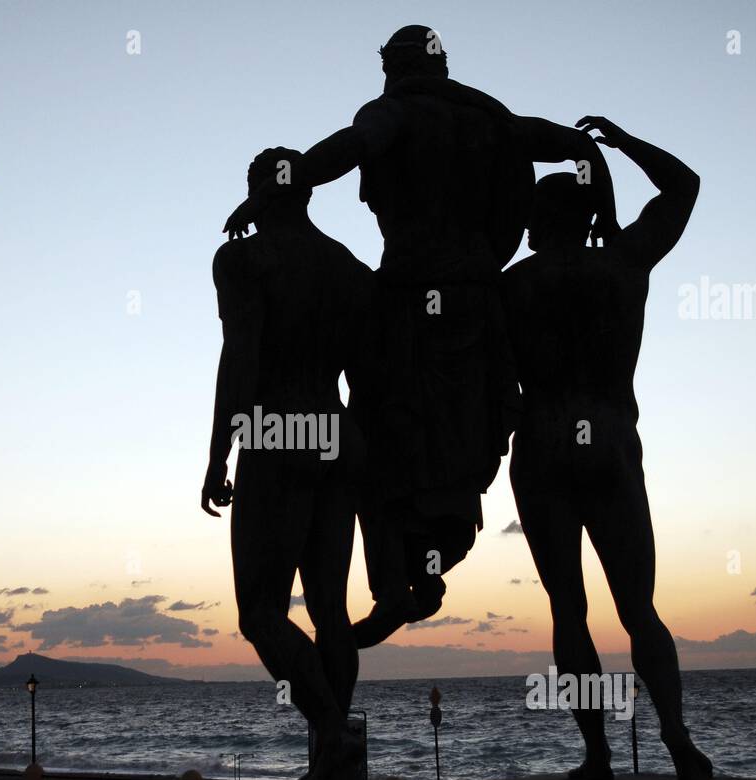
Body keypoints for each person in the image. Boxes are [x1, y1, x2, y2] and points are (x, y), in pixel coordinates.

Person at [223, 25, 617, 649]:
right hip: (479, 303)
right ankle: (419, 580)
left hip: (411, 300)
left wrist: (277, 188)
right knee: (455, 457)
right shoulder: (498, 121)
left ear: (396, 66)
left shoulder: (396, 113)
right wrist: (608, 224)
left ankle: (397, 587)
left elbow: (349, 147)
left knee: (378, 440)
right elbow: (583, 151)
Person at [502, 116, 713, 780]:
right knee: (638, 607)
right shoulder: (622, 264)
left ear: (540, 221)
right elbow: (683, 185)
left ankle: (597, 755)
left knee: (570, 609)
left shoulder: (512, 286)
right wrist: (619, 142)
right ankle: (676, 738)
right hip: (611, 438)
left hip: (541, 442)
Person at [203, 147, 374, 780]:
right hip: (335, 429)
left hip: (277, 428)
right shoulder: (347, 269)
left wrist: (220, 452)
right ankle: (333, 768)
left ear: (256, 193)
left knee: (260, 612)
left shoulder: (242, 260)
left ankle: (331, 734)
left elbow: (240, 356)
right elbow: (370, 375)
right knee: (330, 609)